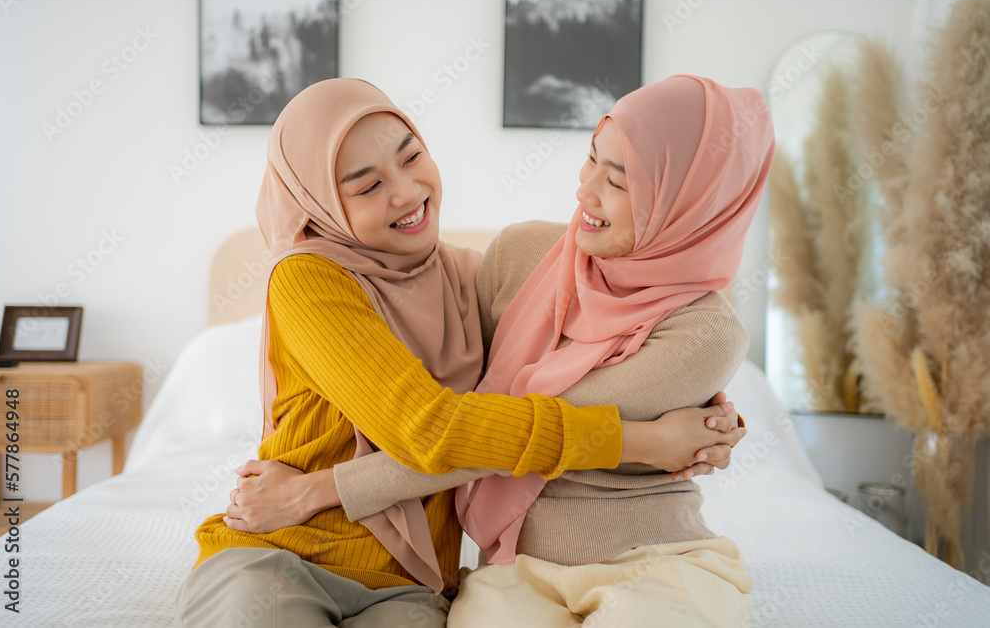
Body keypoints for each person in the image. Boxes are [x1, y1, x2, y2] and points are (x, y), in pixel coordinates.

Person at [173, 78, 744, 628]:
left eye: (411, 157)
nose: (406, 192)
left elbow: (535, 386)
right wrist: (642, 439)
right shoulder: (308, 278)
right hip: (283, 553)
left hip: (408, 586)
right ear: (318, 200)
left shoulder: (470, 280)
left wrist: (707, 418)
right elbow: (431, 430)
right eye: (367, 187)